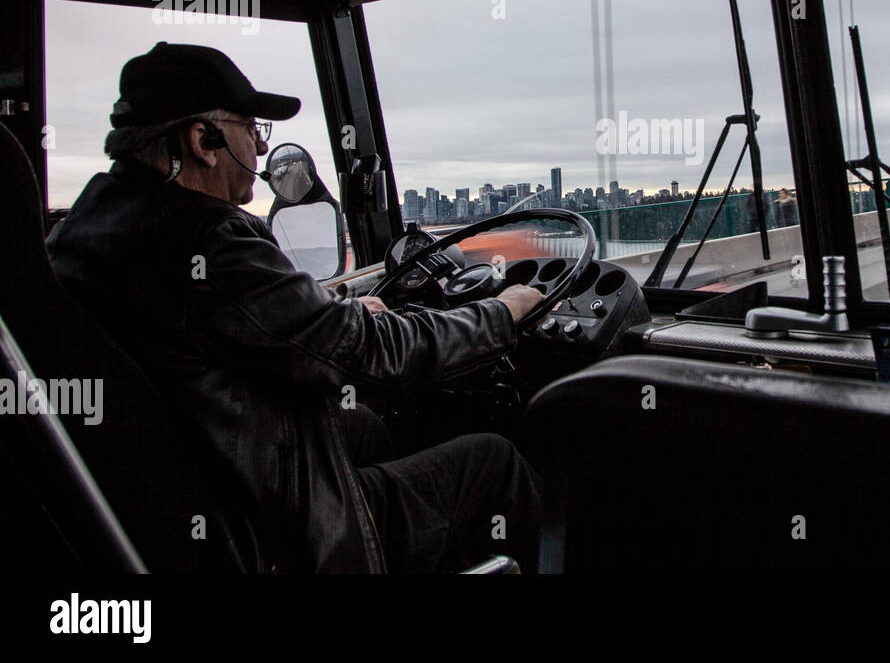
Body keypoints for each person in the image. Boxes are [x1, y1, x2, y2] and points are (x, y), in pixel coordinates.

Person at [46, 42, 545, 572]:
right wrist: (503, 312)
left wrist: (330, 314)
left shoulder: (82, 229)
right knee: (494, 462)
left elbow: (223, 324)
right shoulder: (206, 236)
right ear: (204, 141)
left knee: (366, 427)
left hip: (186, 498)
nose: (261, 151)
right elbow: (375, 356)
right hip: (268, 536)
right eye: (251, 129)